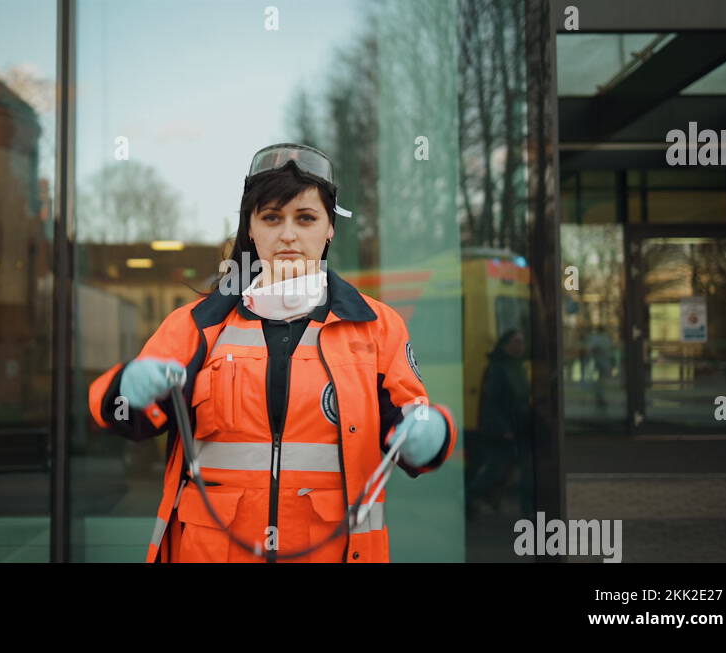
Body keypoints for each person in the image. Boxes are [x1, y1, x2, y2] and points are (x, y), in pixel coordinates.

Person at [89, 143, 458, 563]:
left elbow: (413, 434)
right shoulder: (197, 326)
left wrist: (432, 434)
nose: (288, 235)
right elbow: (124, 421)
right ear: (251, 227)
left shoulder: (377, 328)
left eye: (305, 218)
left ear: (330, 228)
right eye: (271, 218)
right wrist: (124, 390)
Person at [467, 328, 532, 520]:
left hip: (519, 426)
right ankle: (471, 497)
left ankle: (514, 506)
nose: (521, 346)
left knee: (515, 468)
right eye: (516, 342)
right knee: (497, 466)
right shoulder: (498, 367)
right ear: (506, 345)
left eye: (522, 342)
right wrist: (503, 428)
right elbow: (492, 401)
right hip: (503, 428)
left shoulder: (518, 366)